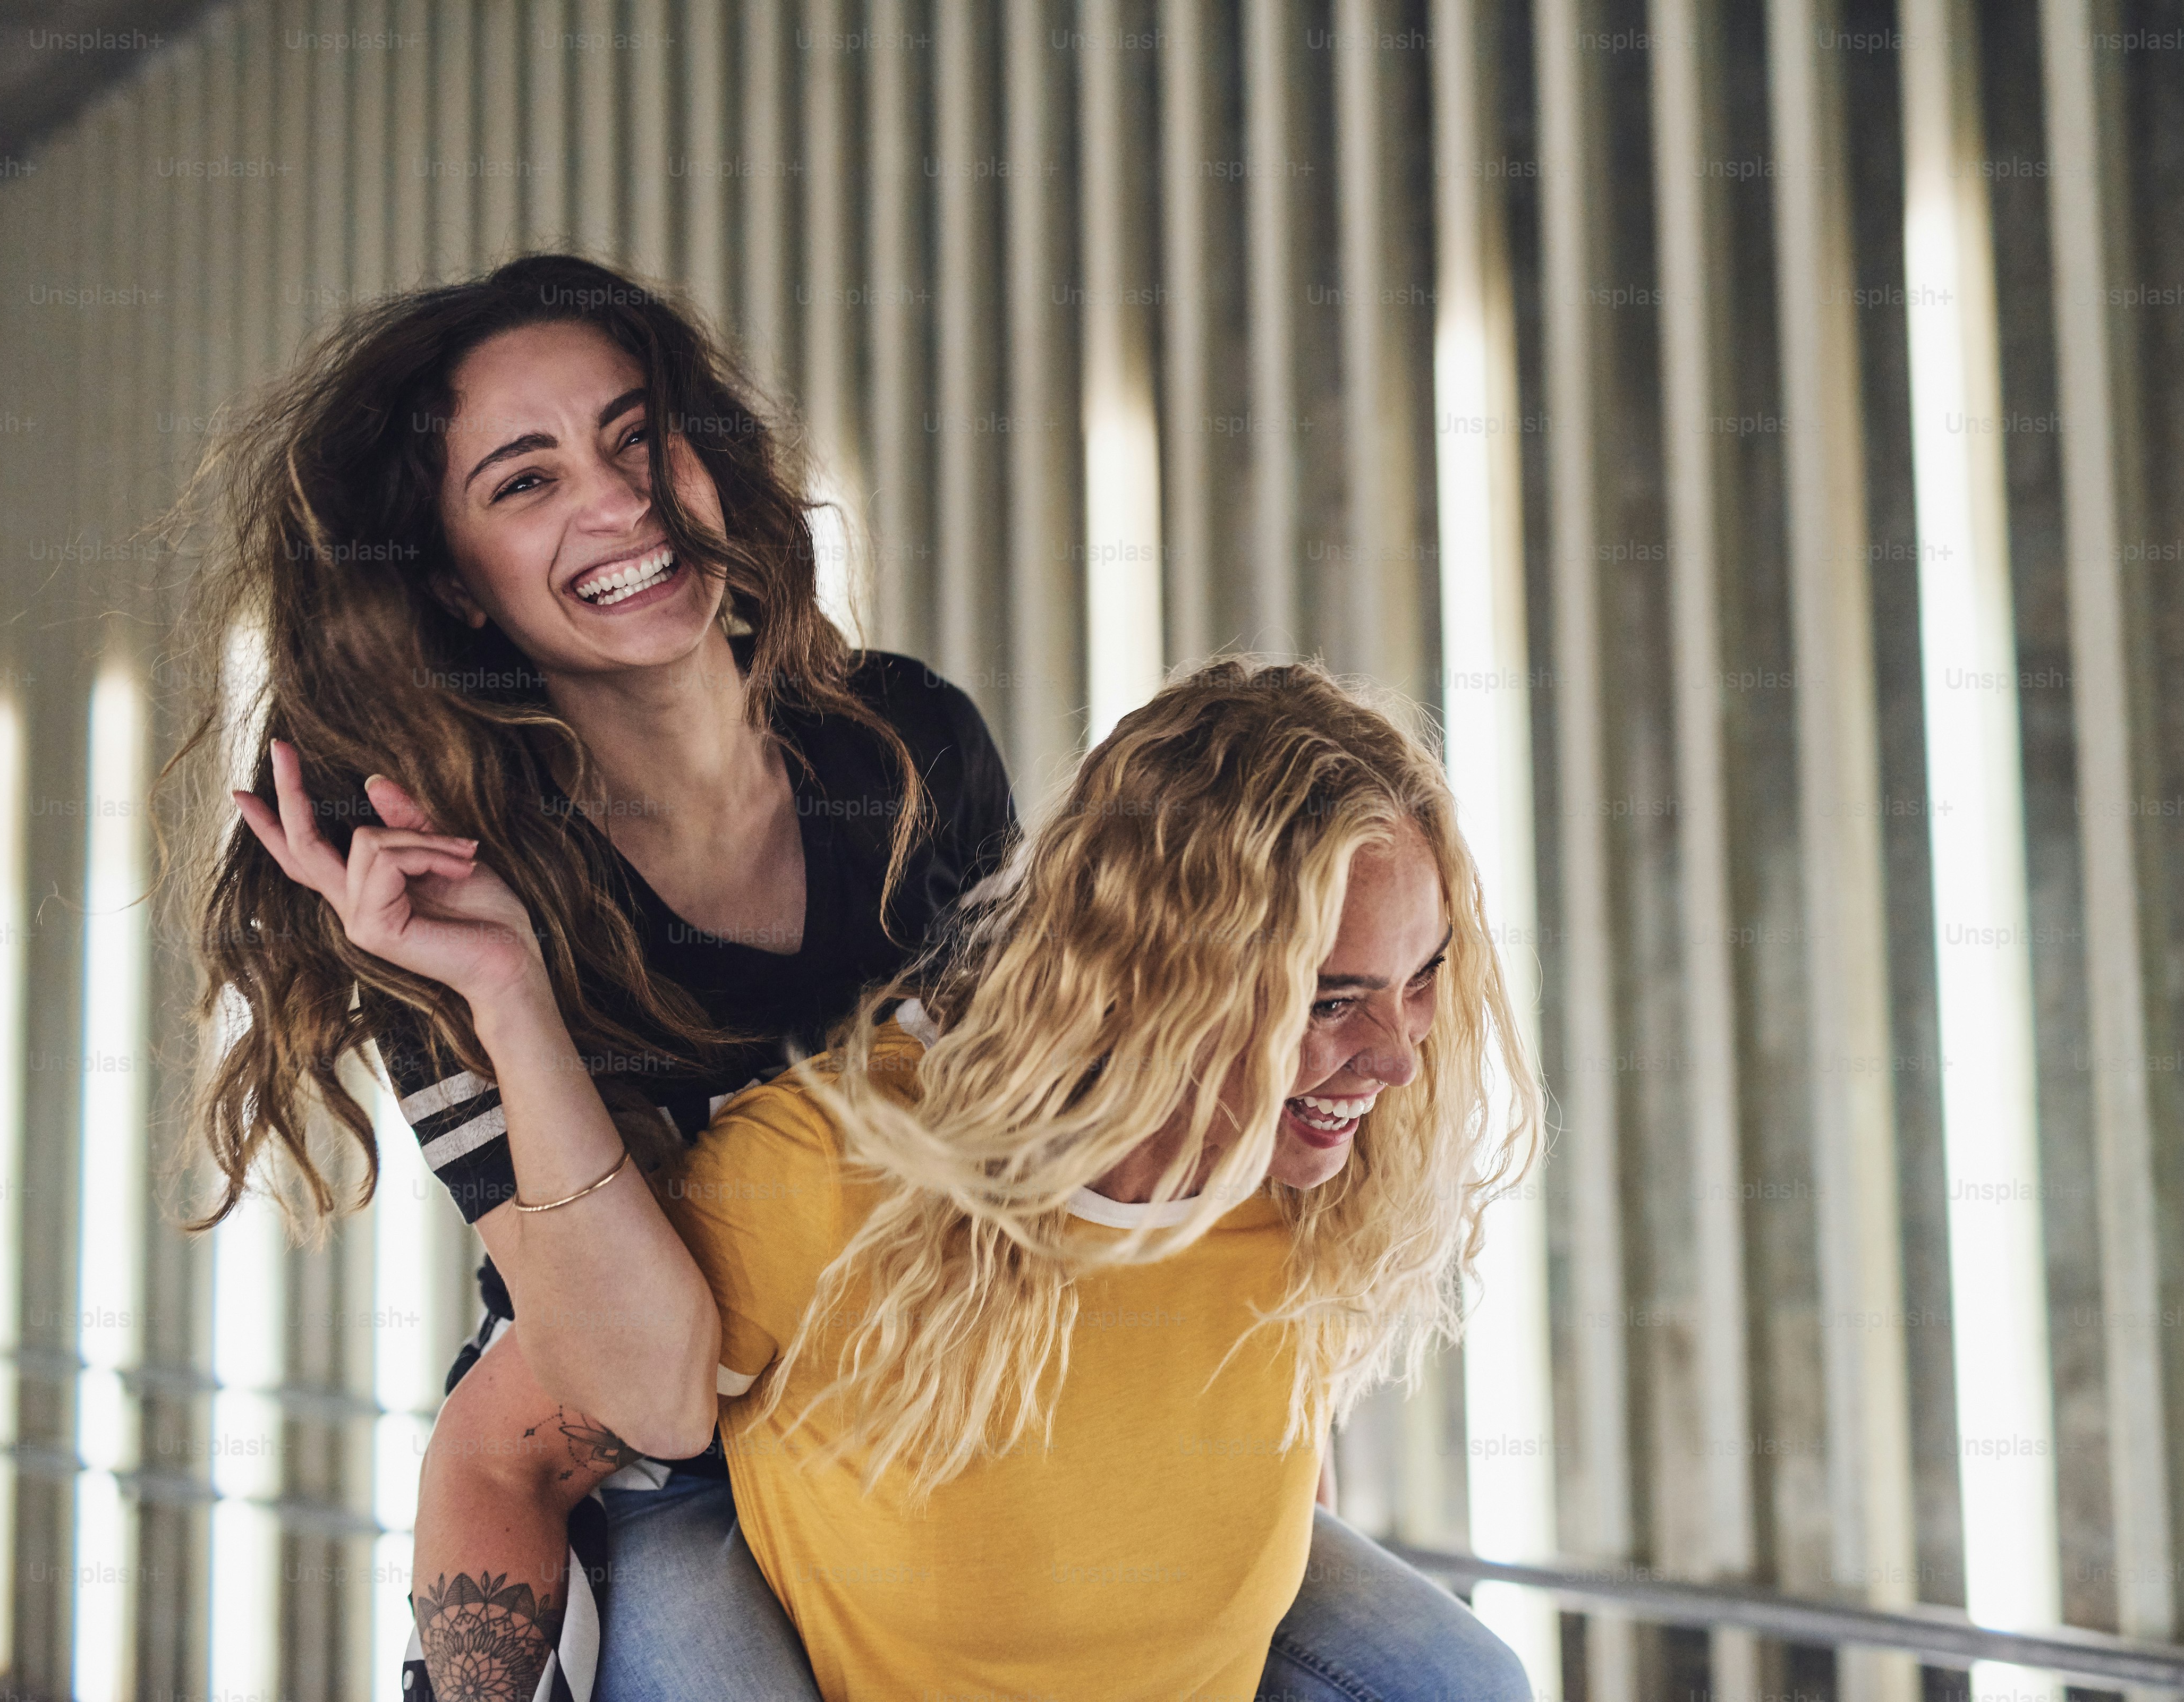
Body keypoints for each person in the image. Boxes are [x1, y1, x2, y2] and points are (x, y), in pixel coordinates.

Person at [174, 254, 1536, 1700]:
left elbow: (1037, 1074)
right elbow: (642, 1396)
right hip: (668, 1443)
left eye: (641, 438)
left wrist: (1216, 1452)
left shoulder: (899, 742)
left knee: (1454, 1675)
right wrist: (507, 992)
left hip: (944, 1340)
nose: (618, 500)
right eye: (527, 481)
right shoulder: (448, 895)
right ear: (452, 577)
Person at [443, 660, 1541, 1700]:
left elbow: (1262, 1472)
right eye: (1332, 999)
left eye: (1425, 974)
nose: (1401, 1058)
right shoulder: (825, 1179)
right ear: (1154, 969)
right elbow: (499, 1459)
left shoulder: (1305, 1160)